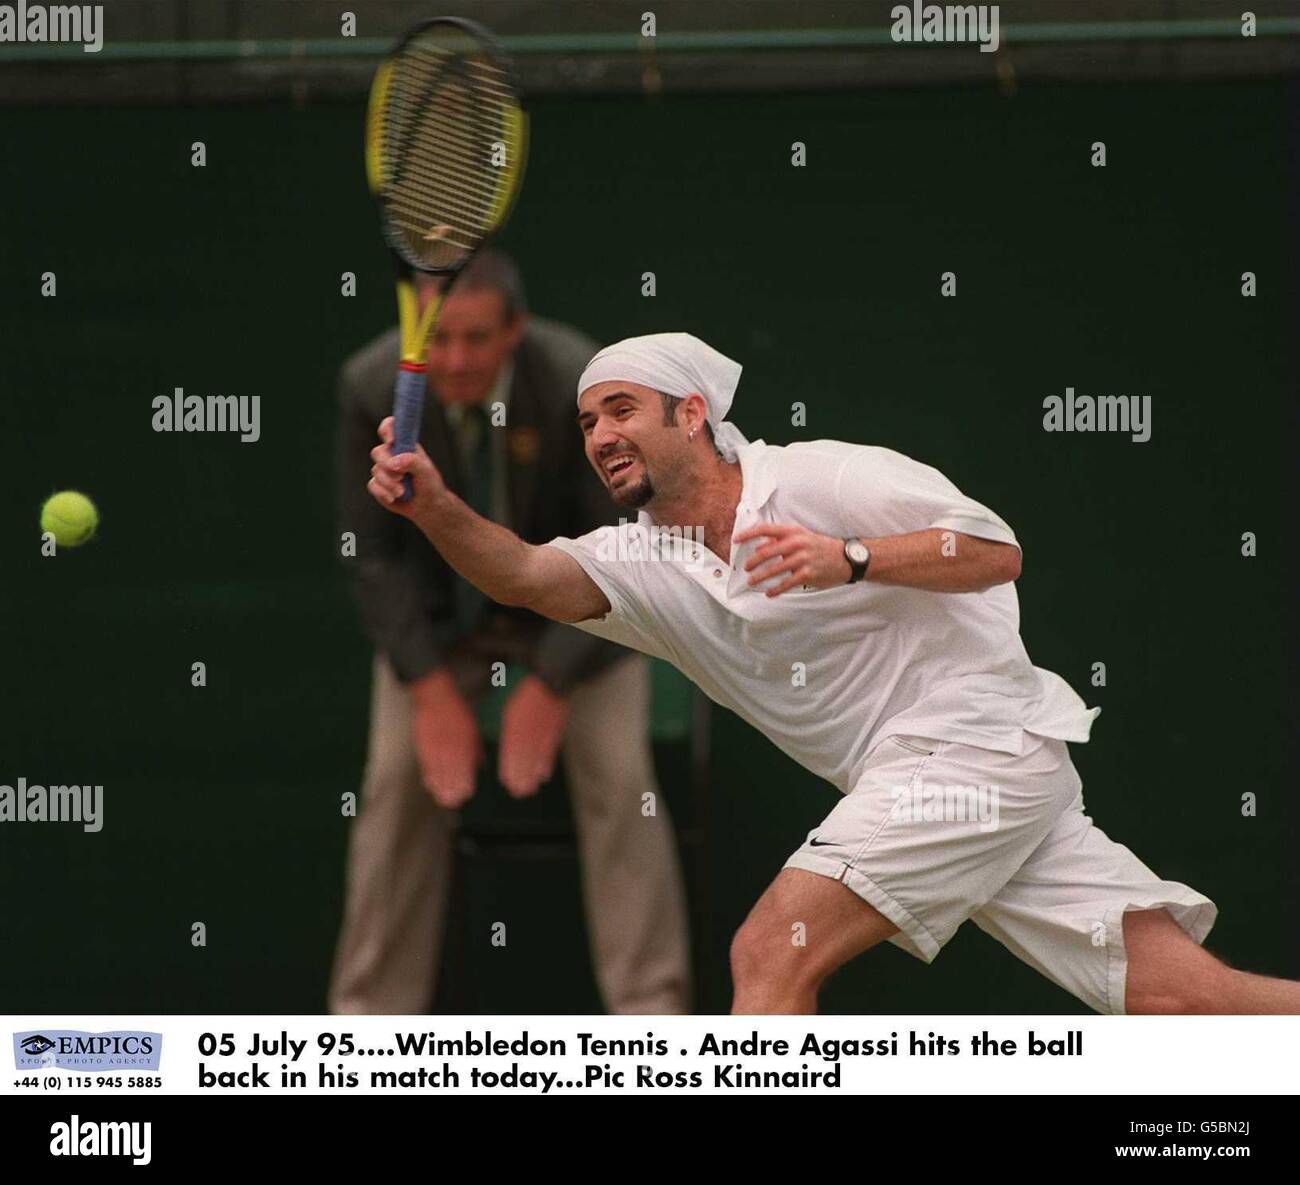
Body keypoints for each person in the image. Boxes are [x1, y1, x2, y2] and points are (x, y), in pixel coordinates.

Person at [363, 330, 1300, 1016]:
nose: (600, 434)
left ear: (693, 414)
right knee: (1190, 1003)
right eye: (586, 421)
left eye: (621, 410)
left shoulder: (827, 476)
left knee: (773, 948)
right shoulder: (639, 563)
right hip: (978, 783)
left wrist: (849, 556)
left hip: (974, 745)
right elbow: (524, 574)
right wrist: (438, 509)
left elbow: (991, 548)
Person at [329, 258, 691, 1015]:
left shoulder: (573, 387)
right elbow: (374, 562)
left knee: (624, 785)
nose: (455, 359)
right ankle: (365, 1031)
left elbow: (628, 542)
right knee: (395, 785)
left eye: (477, 338)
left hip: (583, 616)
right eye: (439, 337)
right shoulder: (372, 386)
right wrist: (429, 691)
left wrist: (550, 685)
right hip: (442, 637)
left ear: (514, 333)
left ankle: (654, 1024)